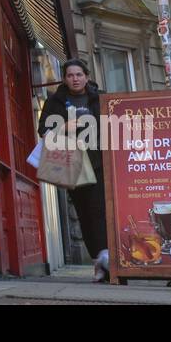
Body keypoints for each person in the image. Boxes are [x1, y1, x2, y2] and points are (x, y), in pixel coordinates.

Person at [38, 58, 110, 282]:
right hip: (72, 165)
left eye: (79, 74)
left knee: (100, 212)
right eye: (70, 75)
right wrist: (63, 127)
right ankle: (99, 260)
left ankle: (108, 259)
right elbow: (43, 130)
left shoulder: (99, 97)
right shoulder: (56, 100)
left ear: (86, 77)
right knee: (85, 215)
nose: (75, 79)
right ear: (65, 78)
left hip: (99, 163)